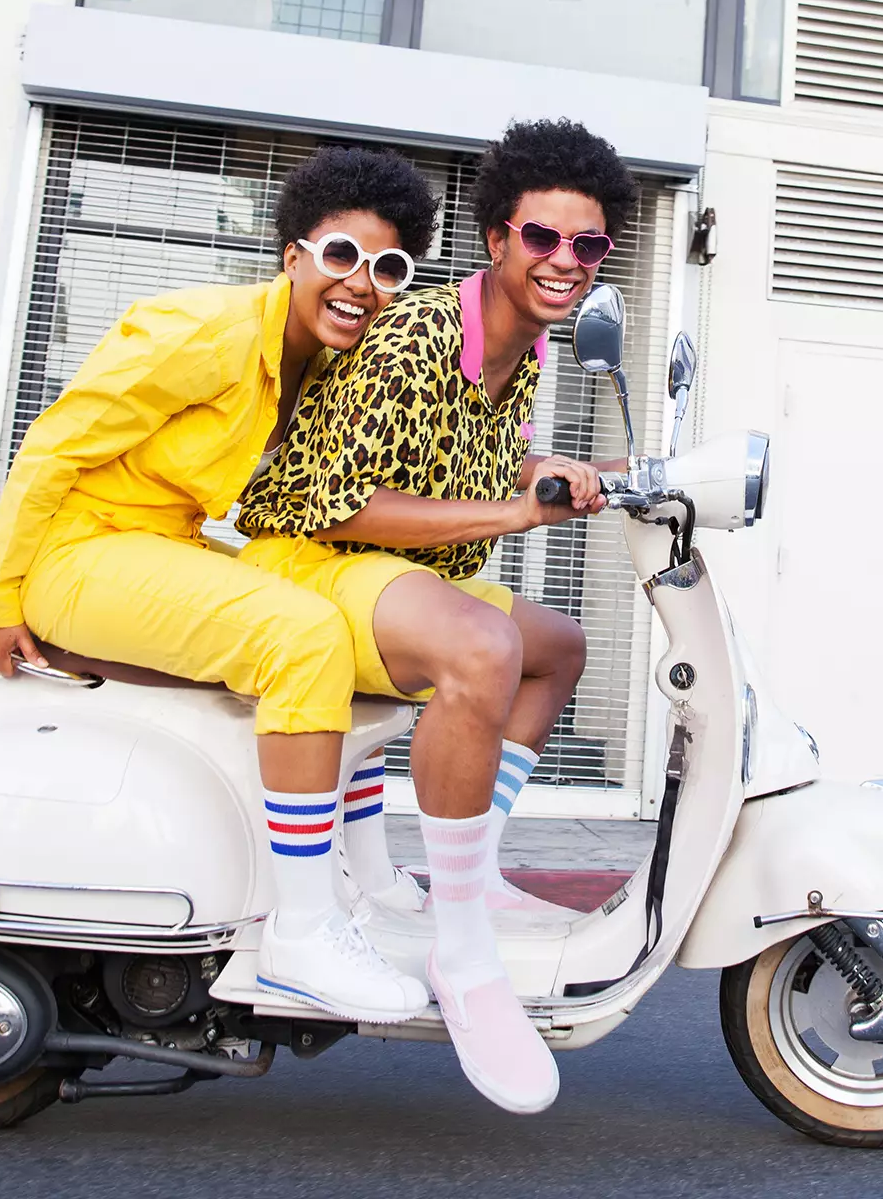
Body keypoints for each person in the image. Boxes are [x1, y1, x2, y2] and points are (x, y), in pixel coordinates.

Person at [0, 147, 441, 1024]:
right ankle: (301, 934)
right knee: (301, 635)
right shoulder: (204, 330)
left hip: (163, 548)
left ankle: (365, 875)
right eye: (340, 254)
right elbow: (52, 452)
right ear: (293, 254)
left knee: (358, 613)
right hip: (84, 553)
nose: (360, 283)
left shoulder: (334, 364)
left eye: (387, 268)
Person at [236, 119, 639, 1113]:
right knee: (485, 643)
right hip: (320, 561)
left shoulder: (528, 352)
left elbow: (493, 457)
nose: (564, 262)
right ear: (497, 239)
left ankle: (472, 867)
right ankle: (462, 944)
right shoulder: (418, 333)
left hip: (409, 574)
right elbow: (341, 501)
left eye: (586, 246)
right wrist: (515, 505)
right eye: (543, 238)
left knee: (558, 650)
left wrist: (575, 474)